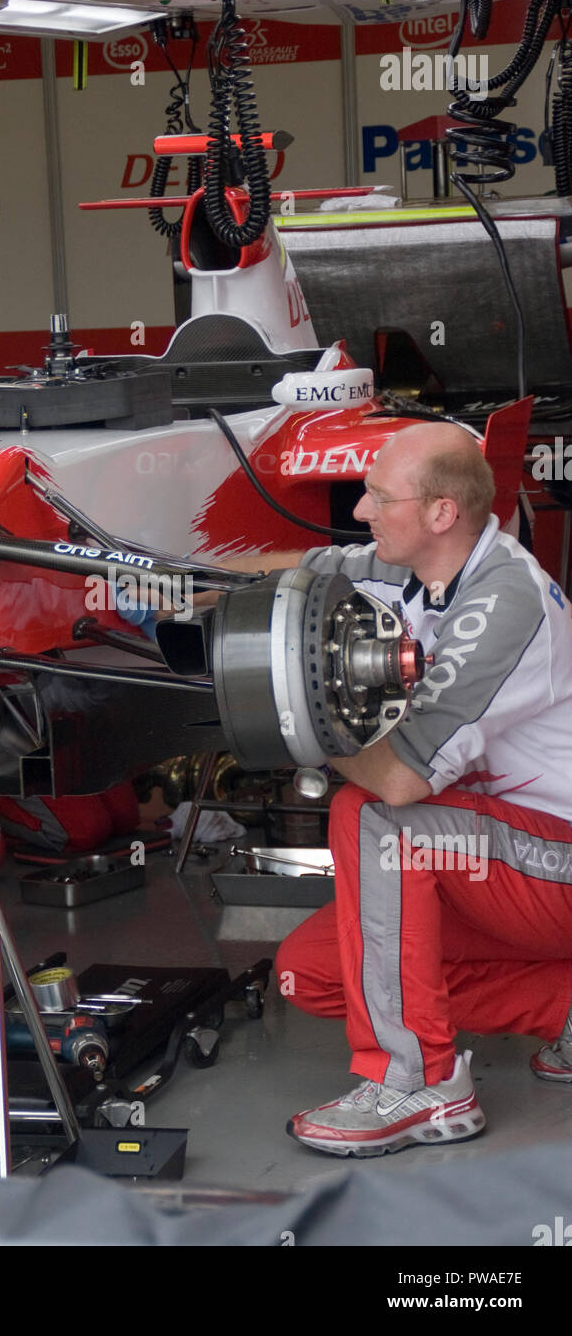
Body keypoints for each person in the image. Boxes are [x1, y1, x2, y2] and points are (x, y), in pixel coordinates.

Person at [261, 421, 572, 1157]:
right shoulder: (411, 565)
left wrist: (291, 730)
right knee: (309, 976)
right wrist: (171, 591)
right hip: (489, 865)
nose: (361, 510)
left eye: (377, 495)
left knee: (375, 815)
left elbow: (398, 779)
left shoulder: (508, 600)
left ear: (441, 513)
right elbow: (290, 575)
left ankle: (418, 1084)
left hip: (554, 867)